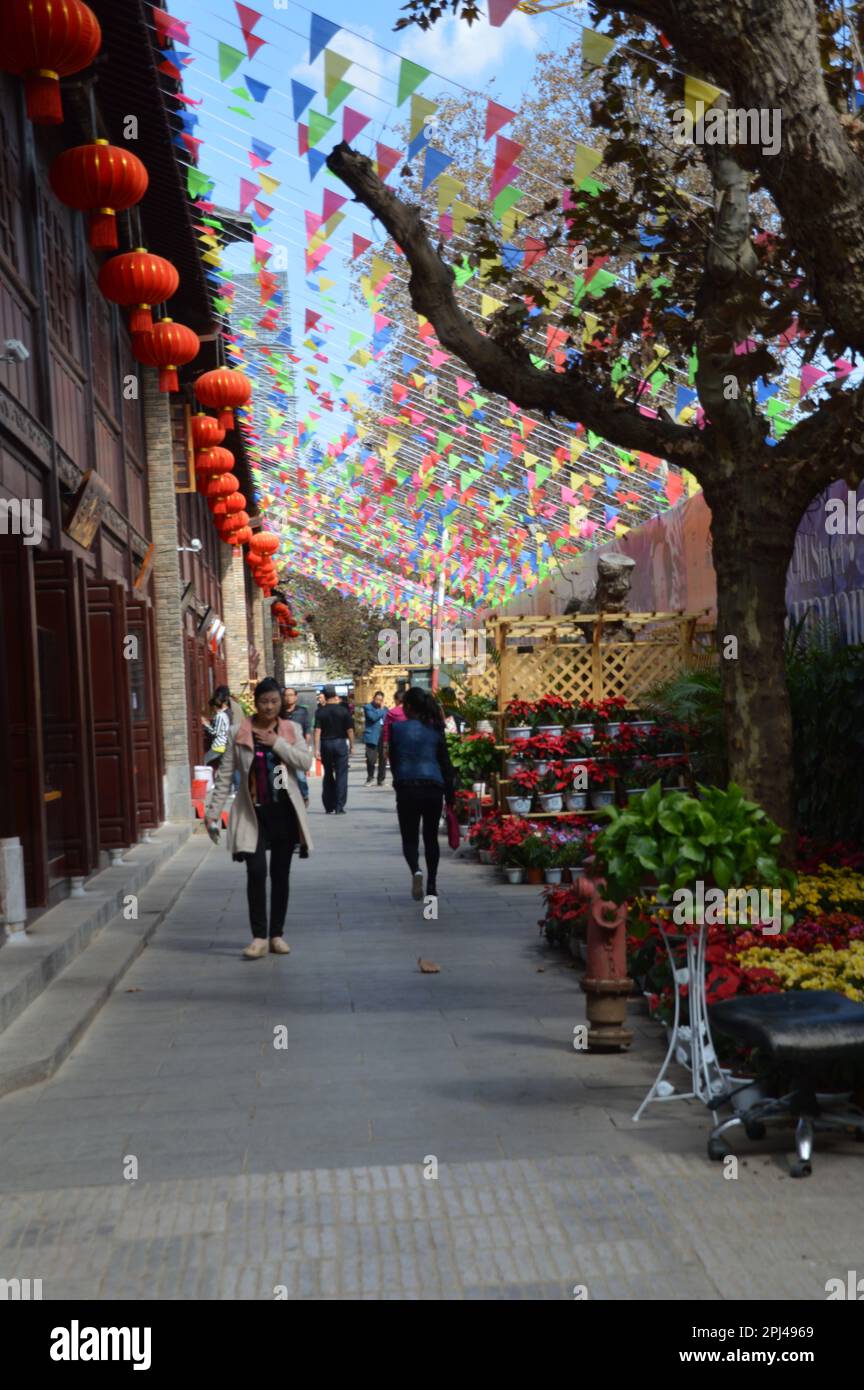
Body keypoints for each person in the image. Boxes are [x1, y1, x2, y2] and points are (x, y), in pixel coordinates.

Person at [206, 676, 313, 959]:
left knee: (280, 875)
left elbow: (305, 762)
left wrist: (277, 742)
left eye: (274, 701)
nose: (269, 707)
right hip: (254, 811)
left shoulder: (291, 729)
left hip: (284, 812)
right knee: (256, 873)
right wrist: (213, 812)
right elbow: (226, 773)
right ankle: (258, 936)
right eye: (264, 701)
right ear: (255, 703)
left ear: (281, 702)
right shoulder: (239, 732)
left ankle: (276, 934)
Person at [388, 687, 456, 902]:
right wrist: (450, 793)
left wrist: (398, 783)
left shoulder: (397, 729)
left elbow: (394, 759)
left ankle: (416, 871)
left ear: (407, 707)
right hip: (433, 787)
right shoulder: (436, 728)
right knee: (430, 838)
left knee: (409, 838)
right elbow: (445, 762)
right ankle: (432, 884)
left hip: (407, 787)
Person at [314, 683, 354, 814]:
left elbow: (317, 731)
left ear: (324, 696)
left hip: (326, 744)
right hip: (340, 743)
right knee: (341, 775)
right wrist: (352, 746)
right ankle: (339, 806)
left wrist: (316, 749)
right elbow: (350, 730)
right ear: (335, 696)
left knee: (328, 775)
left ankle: (328, 805)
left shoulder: (320, 711)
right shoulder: (343, 711)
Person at [281, 686, 311, 807]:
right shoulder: (280, 713)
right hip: (282, 749)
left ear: (296, 697)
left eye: (291, 695)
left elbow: (307, 731)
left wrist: (306, 748)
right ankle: (281, 800)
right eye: (286, 695)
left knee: (300, 776)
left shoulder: (302, 712)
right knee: (280, 775)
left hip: (298, 749)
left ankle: (304, 795)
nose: (288, 698)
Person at [201, 686, 231, 771]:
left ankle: (205, 779)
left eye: (212, 708)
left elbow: (215, 732)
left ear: (215, 706)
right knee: (223, 768)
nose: (212, 711)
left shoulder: (220, 716)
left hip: (219, 746)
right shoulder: (224, 715)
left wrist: (205, 724)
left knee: (203, 761)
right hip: (224, 745)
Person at [362, 690, 387, 785]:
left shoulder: (385, 709)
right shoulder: (368, 707)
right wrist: (381, 710)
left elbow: (386, 720)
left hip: (383, 735)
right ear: (373, 698)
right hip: (372, 736)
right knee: (371, 759)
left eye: (380, 700)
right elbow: (372, 717)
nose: (378, 702)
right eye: (377, 699)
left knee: (383, 758)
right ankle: (370, 777)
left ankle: (381, 779)